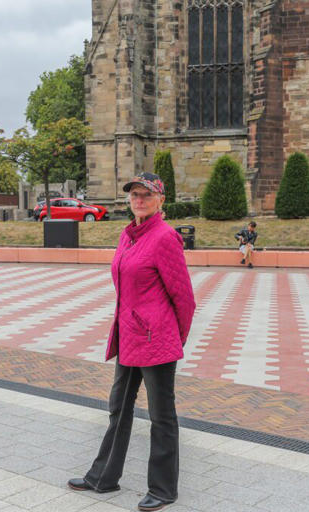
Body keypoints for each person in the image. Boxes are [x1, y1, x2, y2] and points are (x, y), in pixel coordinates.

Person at [68, 172, 196, 512]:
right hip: (129, 335)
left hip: (156, 342)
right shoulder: (128, 236)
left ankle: (164, 489)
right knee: (118, 408)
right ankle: (103, 477)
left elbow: (185, 299)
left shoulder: (165, 237)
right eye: (134, 195)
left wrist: (171, 339)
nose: (139, 200)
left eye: (146, 195)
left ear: (160, 201)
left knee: (161, 416)